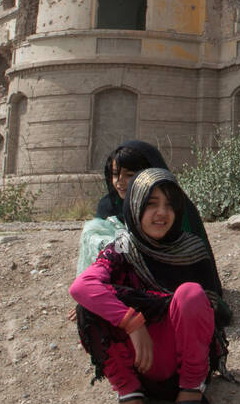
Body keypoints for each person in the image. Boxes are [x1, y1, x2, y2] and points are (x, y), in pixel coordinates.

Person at [70, 167, 229, 404]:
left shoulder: (192, 250)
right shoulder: (123, 247)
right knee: (88, 305)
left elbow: (215, 312)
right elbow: (82, 286)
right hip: (137, 364)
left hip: (183, 362)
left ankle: (191, 391)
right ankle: (130, 395)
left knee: (190, 295)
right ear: (135, 205)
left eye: (170, 205)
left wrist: (154, 306)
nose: (162, 213)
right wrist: (132, 322)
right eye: (151, 204)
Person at [74, 140, 231, 328]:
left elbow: (195, 273)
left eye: (130, 175)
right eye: (115, 175)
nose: (120, 183)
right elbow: (84, 285)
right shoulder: (111, 215)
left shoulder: (181, 222)